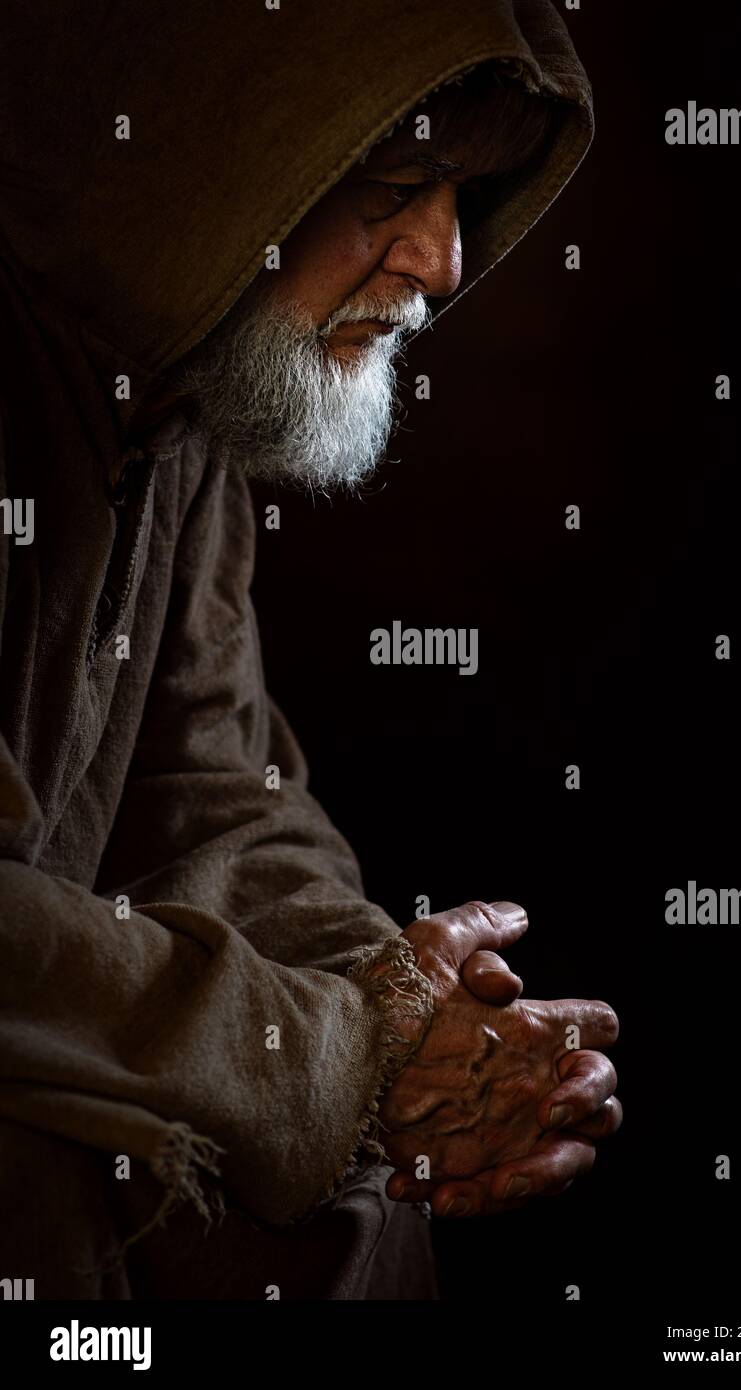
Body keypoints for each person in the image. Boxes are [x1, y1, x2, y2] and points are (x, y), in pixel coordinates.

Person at [0, 0, 619, 1299]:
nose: (443, 260)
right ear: (206, 163)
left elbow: (215, 797)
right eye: (395, 186)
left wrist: (408, 1013)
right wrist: (333, 1051)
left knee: (355, 1205)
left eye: (460, 195)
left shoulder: (182, 391)